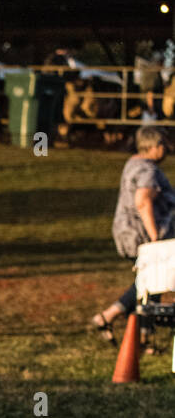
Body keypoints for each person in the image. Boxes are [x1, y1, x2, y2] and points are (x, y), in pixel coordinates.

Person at [91, 126, 175, 344]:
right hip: (143, 236)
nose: (167, 150)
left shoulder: (133, 163)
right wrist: (155, 237)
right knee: (150, 283)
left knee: (149, 284)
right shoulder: (147, 169)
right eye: (164, 145)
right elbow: (143, 201)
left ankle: (144, 337)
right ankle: (109, 316)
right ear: (154, 146)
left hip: (129, 233)